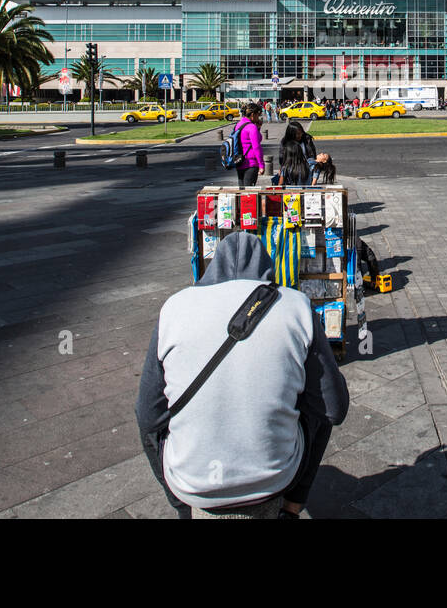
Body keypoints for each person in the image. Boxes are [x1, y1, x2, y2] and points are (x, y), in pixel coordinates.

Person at [135, 232, 349, 519]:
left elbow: (148, 416)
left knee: (147, 420)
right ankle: (292, 507)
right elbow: (335, 409)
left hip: (191, 483)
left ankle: (182, 508)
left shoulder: (175, 307)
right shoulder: (295, 304)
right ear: (266, 270)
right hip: (274, 479)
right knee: (319, 409)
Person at [235, 103, 264, 186]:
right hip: (250, 163)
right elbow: (256, 147)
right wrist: (261, 165)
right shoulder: (251, 127)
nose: (258, 118)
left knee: (242, 190)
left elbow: (258, 138)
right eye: (257, 115)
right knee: (249, 193)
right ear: (252, 115)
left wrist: (258, 128)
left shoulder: (239, 124)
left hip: (239, 161)